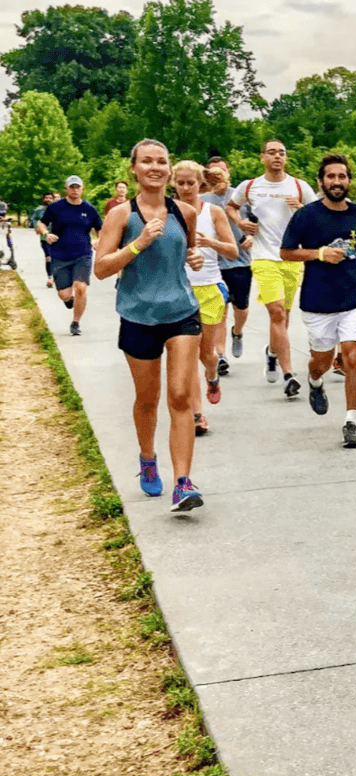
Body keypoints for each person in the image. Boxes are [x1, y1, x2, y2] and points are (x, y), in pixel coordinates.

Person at [94, 139, 208, 512]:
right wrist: (138, 244)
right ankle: (147, 457)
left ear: (170, 169)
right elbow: (101, 268)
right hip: (138, 315)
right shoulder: (121, 216)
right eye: (147, 161)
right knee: (148, 400)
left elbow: (187, 252)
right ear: (134, 169)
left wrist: (192, 259)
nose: (155, 167)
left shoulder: (185, 212)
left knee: (180, 396)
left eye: (162, 161)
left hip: (182, 312)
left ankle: (183, 483)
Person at [280, 154, 356, 448]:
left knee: (352, 355)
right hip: (318, 301)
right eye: (331, 177)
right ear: (321, 181)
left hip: (354, 296)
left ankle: (351, 421)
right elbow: (286, 252)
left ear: (349, 181)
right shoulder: (306, 215)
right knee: (322, 362)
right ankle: (315, 380)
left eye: (342, 177)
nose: (337, 182)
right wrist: (319, 254)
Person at [227, 139, 317, 397]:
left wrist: (301, 210)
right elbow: (231, 206)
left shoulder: (300, 186)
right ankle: (289, 375)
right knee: (277, 313)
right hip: (264, 257)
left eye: (282, 152)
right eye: (272, 152)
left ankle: (272, 353)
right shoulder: (251, 186)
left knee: (284, 318)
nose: (277, 156)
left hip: (290, 257)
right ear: (262, 157)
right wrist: (241, 222)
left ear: (286, 158)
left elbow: (316, 216)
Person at [172, 160, 238, 436]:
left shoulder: (213, 212)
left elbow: (233, 252)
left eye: (191, 183)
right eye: (180, 183)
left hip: (210, 287)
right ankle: (197, 414)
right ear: (172, 184)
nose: (186, 188)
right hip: (179, 290)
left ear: (200, 183)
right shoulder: (166, 212)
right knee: (187, 355)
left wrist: (210, 243)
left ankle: (212, 377)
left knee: (206, 355)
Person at [202, 157, 255, 373]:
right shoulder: (203, 200)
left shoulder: (242, 198)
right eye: (213, 173)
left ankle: (238, 332)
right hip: (216, 264)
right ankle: (221, 355)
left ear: (228, 172)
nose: (218, 177)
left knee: (241, 308)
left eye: (221, 171)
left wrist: (253, 235)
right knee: (220, 310)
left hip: (241, 261)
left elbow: (259, 221)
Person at [37, 176, 103, 335]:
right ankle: (69, 300)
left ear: (82, 189)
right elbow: (41, 224)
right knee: (64, 294)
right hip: (60, 255)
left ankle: (75, 323)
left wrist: (99, 241)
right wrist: (46, 233)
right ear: (66, 189)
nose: (75, 190)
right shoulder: (56, 207)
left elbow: (100, 229)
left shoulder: (89, 209)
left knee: (81, 288)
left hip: (83, 254)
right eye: (71, 187)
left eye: (77, 187)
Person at [29, 192, 54, 286]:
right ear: (43, 199)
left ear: (53, 199)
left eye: (50, 198)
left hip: (58, 237)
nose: (48, 199)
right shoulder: (39, 210)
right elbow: (34, 220)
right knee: (48, 257)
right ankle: (50, 278)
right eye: (46, 198)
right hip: (45, 238)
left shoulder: (57, 209)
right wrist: (37, 227)